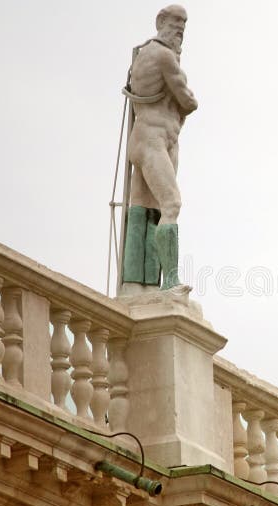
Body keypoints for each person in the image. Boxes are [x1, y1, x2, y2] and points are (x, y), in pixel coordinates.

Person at [122, 4, 198, 291]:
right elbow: (188, 100)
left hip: (151, 138)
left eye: (184, 23)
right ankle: (170, 282)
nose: (180, 28)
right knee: (171, 204)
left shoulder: (144, 54)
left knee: (144, 207)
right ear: (160, 21)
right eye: (176, 21)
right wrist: (187, 99)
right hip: (153, 139)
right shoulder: (164, 57)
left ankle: (136, 284)